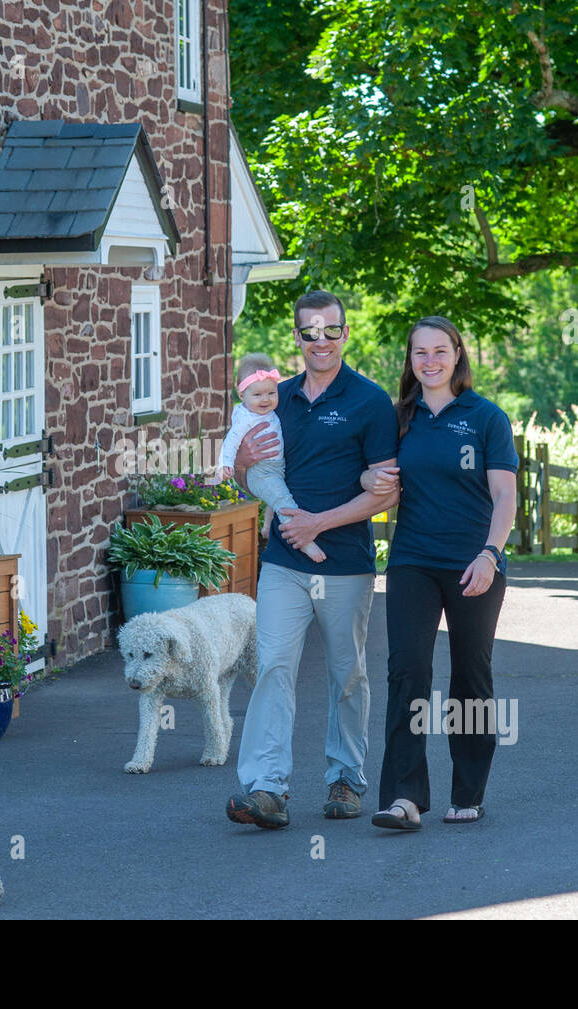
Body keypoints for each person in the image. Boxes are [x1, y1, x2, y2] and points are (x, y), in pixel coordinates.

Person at [225, 290, 400, 829]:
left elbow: (386, 490)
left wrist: (317, 524)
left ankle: (345, 778)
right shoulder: (274, 398)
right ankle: (266, 788)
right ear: (296, 337)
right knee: (274, 666)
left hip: (345, 561)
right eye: (309, 332)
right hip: (283, 562)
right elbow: (252, 471)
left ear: (345, 333)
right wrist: (239, 465)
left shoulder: (370, 402)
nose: (319, 341)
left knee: (347, 674)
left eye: (330, 331)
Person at [364, 316, 518, 831]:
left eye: (439, 351)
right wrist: (368, 473)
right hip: (411, 561)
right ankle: (403, 797)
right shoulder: (398, 418)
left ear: (458, 354)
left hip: (475, 563)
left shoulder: (486, 417)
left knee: (470, 677)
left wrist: (490, 554)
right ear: (409, 361)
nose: (429, 361)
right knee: (408, 671)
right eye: (419, 353)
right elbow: (373, 473)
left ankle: (468, 791)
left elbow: (504, 495)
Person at [216, 352, 326, 563]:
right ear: (242, 396)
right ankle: (303, 543)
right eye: (257, 395)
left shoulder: (263, 412)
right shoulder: (245, 418)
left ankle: (267, 526)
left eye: (271, 393)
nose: (265, 399)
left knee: (278, 492)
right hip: (261, 471)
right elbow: (230, 441)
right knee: (283, 500)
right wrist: (225, 464)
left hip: (276, 467)